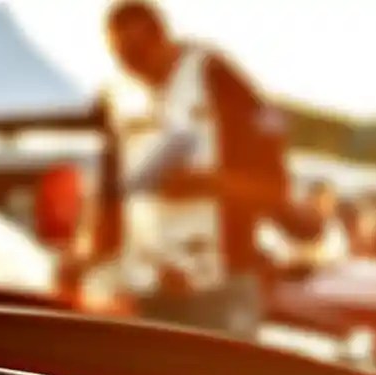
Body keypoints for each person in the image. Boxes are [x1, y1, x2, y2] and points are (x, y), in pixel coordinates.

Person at [98, 0, 290, 339]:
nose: (135, 70)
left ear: (162, 39)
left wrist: (211, 184)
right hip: (149, 289)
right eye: (123, 60)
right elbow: (110, 197)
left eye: (139, 55)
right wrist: (93, 257)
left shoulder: (216, 78)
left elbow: (273, 187)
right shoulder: (119, 97)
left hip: (220, 288)